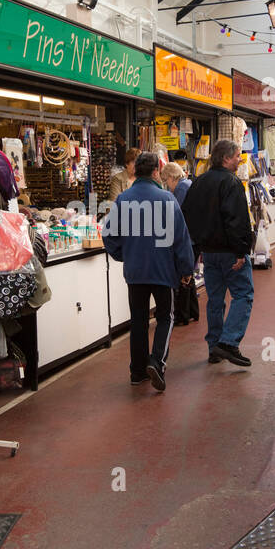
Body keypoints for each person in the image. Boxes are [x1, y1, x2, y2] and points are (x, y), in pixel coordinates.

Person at [102, 152, 195, 392]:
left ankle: (137, 372)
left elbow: (109, 235)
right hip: (164, 271)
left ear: (136, 172)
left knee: (139, 321)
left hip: (135, 272)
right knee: (166, 317)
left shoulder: (123, 199)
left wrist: (124, 255)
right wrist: (186, 269)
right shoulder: (167, 199)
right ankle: (157, 362)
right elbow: (181, 238)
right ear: (156, 172)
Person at [181, 139, 254, 367]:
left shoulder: (198, 182)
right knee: (243, 294)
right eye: (237, 156)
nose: (240, 160)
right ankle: (228, 342)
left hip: (208, 253)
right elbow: (238, 220)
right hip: (230, 252)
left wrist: (198, 247)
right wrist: (241, 250)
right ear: (225, 158)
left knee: (215, 300)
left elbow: (187, 218)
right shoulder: (231, 183)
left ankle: (214, 347)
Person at [159, 162, 199, 325]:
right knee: (188, 275)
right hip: (194, 237)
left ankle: (182, 315)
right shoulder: (188, 183)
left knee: (182, 276)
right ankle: (193, 311)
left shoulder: (181, 188)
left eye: (166, 181)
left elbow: (176, 213)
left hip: (188, 238)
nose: (167, 185)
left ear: (170, 177)